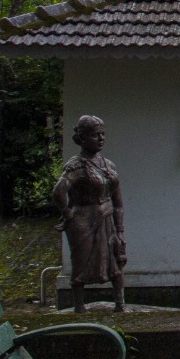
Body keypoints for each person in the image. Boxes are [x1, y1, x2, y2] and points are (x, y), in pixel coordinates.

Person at [52, 115, 127, 312]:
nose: (101, 138)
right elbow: (59, 191)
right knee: (81, 261)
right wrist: (68, 214)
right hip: (84, 219)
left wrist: (120, 230)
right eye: (95, 135)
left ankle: (120, 303)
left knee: (115, 260)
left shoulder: (108, 165)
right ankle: (79, 306)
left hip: (106, 217)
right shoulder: (77, 165)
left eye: (103, 134)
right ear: (83, 138)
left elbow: (118, 201)